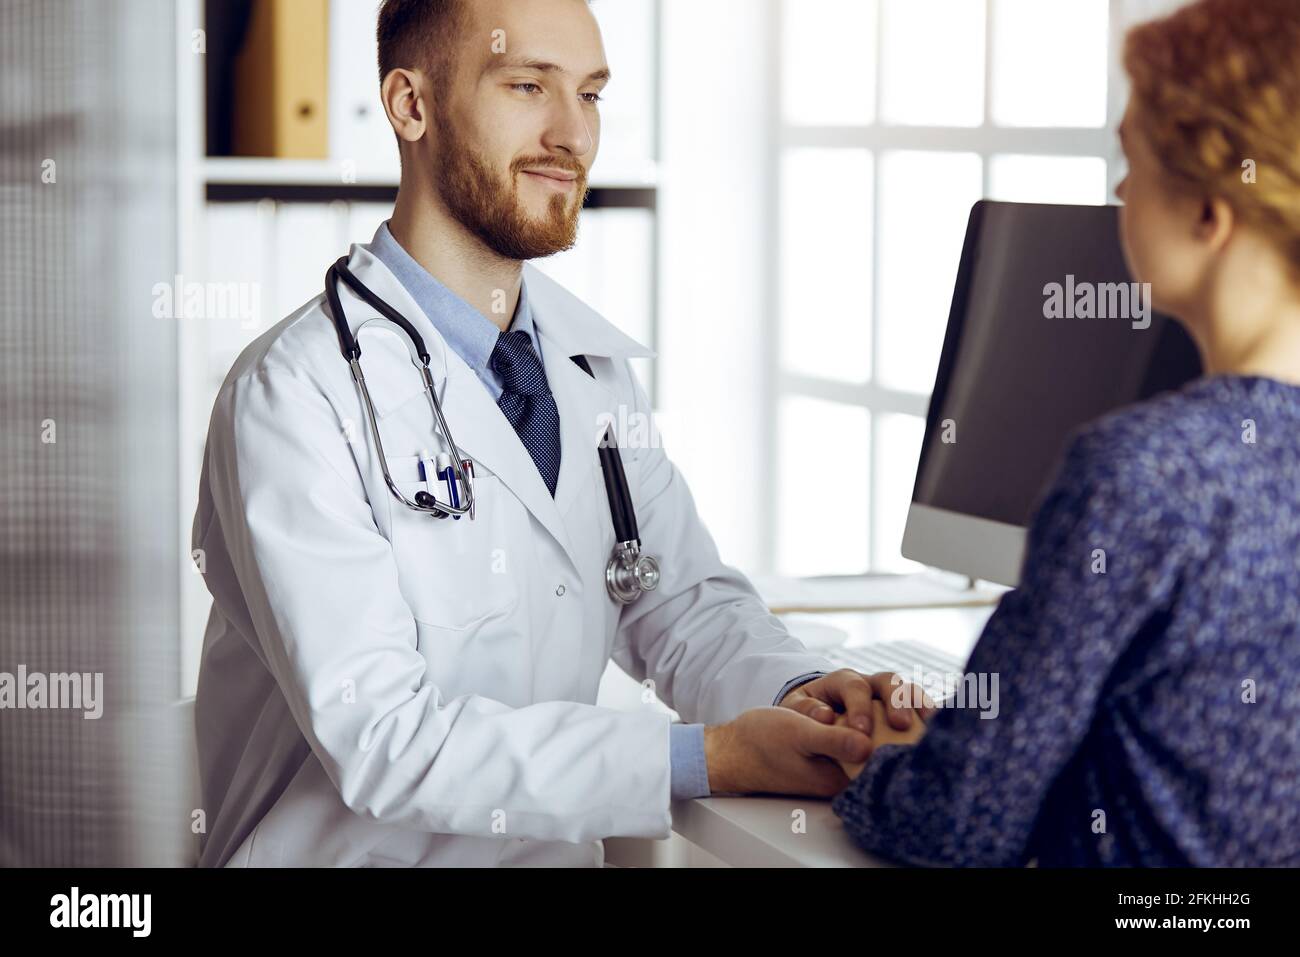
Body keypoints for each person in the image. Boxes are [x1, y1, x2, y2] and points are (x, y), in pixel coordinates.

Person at [191, 0, 912, 868]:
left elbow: (677, 602)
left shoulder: (587, 368)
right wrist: (706, 758)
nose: (572, 133)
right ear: (409, 106)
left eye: (592, 95)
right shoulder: (294, 392)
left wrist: (802, 695)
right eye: (528, 85)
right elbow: (384, 740)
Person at [826, 0, 1300, 867]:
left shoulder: (1141, 473)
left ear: (1209, 214)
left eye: (1136, 161)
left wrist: (890, 766)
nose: (1119, 190)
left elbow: (959, 824)